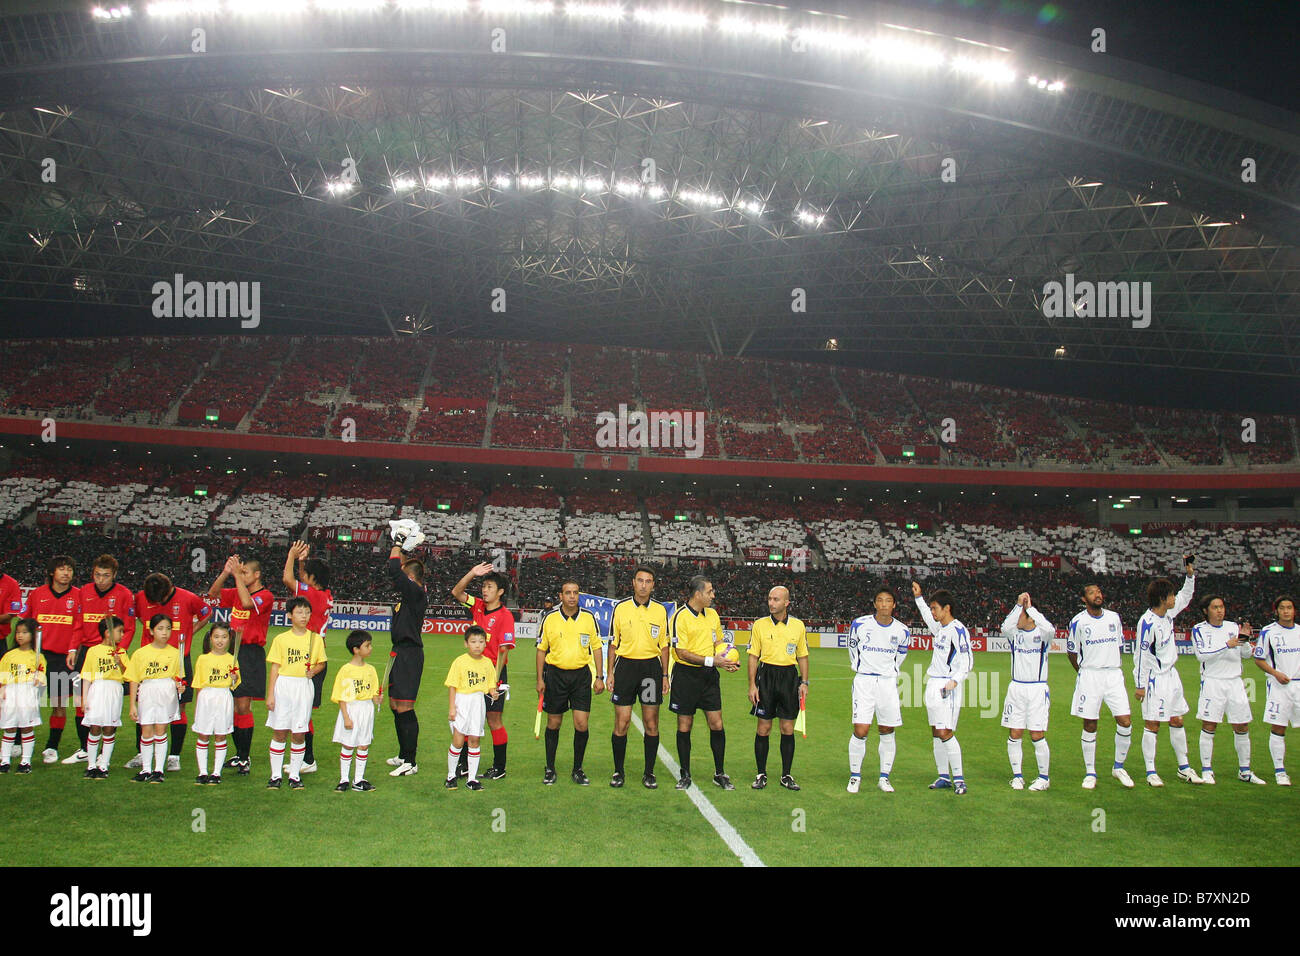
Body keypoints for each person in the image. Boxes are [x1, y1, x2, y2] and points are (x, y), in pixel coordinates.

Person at [134, 571, 212, 772]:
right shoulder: (141, 597)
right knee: (145, 707)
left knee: (179, 708)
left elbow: (207, 612)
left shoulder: (188, 598)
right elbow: (139, 617)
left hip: (178, 660)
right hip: (149, 660)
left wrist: (191, 630)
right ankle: (142, 754)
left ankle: (174, 755)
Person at [1133, 556, 1200, 786]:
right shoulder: (1147, 622)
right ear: (1162, 599)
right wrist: (1140, 684)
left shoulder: (1168, 614)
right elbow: (1140, 656)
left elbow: (1186, 595)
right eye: (1170, 595)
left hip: (1172, 676)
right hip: (1154, 680)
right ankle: (1151, 771)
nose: (1174, 598)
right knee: (1153, 724)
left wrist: (1189, 574)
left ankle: (1184, 767)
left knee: (1177, 720)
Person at [668, 575, 738, 791]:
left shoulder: (713, 615)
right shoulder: (680, 617)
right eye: (710, 591)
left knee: (716, 723)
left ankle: (719, 773)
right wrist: (712, 661)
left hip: (709, 677)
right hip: (686, 676)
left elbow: (717, 641)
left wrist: (727, 658)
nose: (713, 595)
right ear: (697, 594)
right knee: (684, 725)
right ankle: (685, 774)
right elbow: (681, 652)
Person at [207, 555, 274, 774]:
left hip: (250, 653)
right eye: (240, 571)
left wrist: (236, 576)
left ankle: (245, 757)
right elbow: (213, 594)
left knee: (243, 705)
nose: (241, 575)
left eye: (245, 572)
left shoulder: (265, 595)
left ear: (257, 575)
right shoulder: (237, 589)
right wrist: (227, 572)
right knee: (233, 705)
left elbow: (247, 603)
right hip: (231, 652)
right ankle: (239, 754)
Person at [606, 564, 670, 788]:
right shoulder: (621, 608)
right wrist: (610, 673)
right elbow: (613, 644)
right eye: (640, 580)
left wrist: (664, 675)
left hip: (651, 672)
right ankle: (618, 771)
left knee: (651, 723)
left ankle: (649, 772)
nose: (643, 585)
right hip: (625, 670)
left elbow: (664, 646)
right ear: (633, 583)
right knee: (621, 723)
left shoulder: (661, 611)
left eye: (648, 581)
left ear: (653, 585)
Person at [1067, 581, 1136, 790]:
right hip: (1090, 675)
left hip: (1114, 674)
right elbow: (1071, 651)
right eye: (1091, 592)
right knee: (1090, 724)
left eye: (1098, 591)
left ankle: (1118, 767)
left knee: (1125, 721)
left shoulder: (1114, 617)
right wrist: (1083, 673)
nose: (1097, 595)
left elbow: (1118, 645)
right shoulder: (1078, 622)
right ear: (1083, 599)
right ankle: (1090, 772)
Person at [66, 555, 135, 764]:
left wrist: (118, 651)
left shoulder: (124, 594)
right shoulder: (84, 592)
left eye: (106, 575)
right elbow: (78, 623)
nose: (101, 579)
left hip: (111, 653)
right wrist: (72, 649)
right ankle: (84, 748)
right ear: (92, 574)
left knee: (108, 701)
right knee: (82, 702)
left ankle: (103, 752)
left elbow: (129, 628)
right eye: (97, 575)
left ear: (114, 575)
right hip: (88, 652)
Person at [451, 562, 515, 779]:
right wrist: (471, 572)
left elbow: (504, 651)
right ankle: (465, 764)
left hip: (492, 675)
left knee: (493, 719)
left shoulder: (505, 616)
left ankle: (499, 767)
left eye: (489, 587)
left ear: (500, 592)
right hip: (471, 673)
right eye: (484, 586)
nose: (484, 590)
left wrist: (494, 683)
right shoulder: (477, 606)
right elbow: (457, 592)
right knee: (468, 717)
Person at [536, 580, 604, 785]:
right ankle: (550, 767)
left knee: (581, 723)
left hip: (581, 676)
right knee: (554, 723)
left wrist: (599, 677)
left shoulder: (588, 618)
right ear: (561, 596)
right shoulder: (550, 618)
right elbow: (541, 650)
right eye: (568, 593)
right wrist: (540, 678)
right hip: (555, 675)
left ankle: (578, 769)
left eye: (575, 592)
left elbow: (597, 648)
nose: (572, 596)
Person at [1191, 595, 1264, 785]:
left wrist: (1245, 640)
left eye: (1221, 607)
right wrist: (1227, 645)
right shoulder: (1199, 629)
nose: (1220, 610)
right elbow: (1202, 656)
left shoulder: (1232, 627)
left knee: (1242, 725)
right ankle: (1207, 770)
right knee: (1209, 725)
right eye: (1215, 607)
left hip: (1235, 682)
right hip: (1213, 682)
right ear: (1206, 610)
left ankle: (1245, 770)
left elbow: (1246, 654)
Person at [846, 586, 911, 794]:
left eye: (888, 601)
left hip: (887, 683)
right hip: (864, 681)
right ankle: (855, 776)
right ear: (875, 604)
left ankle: (884, 777)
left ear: (894, 604)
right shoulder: (860, 624)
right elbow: (852, 648)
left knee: (887, 729)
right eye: (880, 600)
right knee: (861, 729)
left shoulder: (902, 630)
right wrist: (861, 668)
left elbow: (901, 655)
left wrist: (889, 671)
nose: (884, 604)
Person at [912, 581, 973, 795]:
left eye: (935, 608)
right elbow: (928, 619)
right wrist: (919, 599)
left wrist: (954, 682)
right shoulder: (941, 628)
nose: (933, 612)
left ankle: (960, 780)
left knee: (945, 731)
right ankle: (943, 776)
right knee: (936, 731)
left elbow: (967, 661)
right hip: (933, 683)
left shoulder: (958, 630)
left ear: (947, 608)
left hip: (947, 685)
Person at [747, 586, 809, 791]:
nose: (771, 603)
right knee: (763, 728)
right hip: (766, 677)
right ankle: (761, 773)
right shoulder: (759, 625)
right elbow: (753, 656)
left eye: (776, 599)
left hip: (789, 677)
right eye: (769, 598)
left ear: (786, 603)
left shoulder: (798, 626)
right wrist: (752, 685)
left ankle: (786, 775)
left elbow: (802, 656)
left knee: (787, 728)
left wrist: (804, 683)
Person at [23, 554, 82, 764]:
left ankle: (51, 747)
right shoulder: (37, 594)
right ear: (51, 572)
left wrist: (74, 649)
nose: (66, 573)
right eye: (61, 569)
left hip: (63, 658)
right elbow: (25, 625)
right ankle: (18, 743)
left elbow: (80, 627)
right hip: (38, 657)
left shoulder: (78, 595)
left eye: (69, 569)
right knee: (27, 701)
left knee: (58, 703)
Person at [264, 597, 327, 790]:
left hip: (303, 687)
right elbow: (275, 667)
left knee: (299, 732)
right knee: (280, 731)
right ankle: (275, 776)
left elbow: (321, 663)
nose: (304, 616)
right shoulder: (281, 639)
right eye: (299, 612)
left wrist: (313, 671)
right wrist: (270, 694)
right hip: (284, 686)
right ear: (290, 615)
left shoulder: (314, 638)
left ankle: (294, 774)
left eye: (307, 612)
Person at [282, 541, 334, 773]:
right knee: (301, 710)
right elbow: (304, 580)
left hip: (311, 658)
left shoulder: (314, 596)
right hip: (315, 653)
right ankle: (305, 758)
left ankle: (308, 759)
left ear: (313, 579)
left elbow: (288, 580)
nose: (304, 577)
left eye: (307, 575)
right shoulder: (324, 594)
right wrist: (304, 560)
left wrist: (292, 556)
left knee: (302, 711)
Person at [384, 523, 427, 777]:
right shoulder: (408, 595)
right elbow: (396, 569)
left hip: (410, 654)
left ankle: (411, 760)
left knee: (405, 706)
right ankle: (402, 754)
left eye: (404, 574)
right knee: (394, 704)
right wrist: (404, 551)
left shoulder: (416, 592)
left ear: (410, 578)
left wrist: (398, 541)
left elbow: (392, 569)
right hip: (399, 653)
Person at [999, 592, 1054, 791]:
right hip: (1016, 688)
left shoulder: (1043, 635)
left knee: (1037, 733)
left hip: (1037, 689)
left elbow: (1050, 627)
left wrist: (1030, 608)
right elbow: (1005, 626)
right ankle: (1017, 776)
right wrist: (1017, 605)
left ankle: (1043, 778)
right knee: (1015, 732)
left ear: (1030, 616)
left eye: (1022, 615)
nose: (1018, 619)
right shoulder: (1015, 635)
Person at [126, 615, 183, 783]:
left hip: (166, 693)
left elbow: (178, 678)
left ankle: (158, 770)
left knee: (161, 730)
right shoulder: (140, 653)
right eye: (160, 628)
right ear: (151, 631)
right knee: (146, 731)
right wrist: (132, 705)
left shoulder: (174, 653)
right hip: (147, 692)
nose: (164, 633)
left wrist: (181, 686)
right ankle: (146, 769)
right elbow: (134, 679)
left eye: (168, 628)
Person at [444, 625, 500, 792]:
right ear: (466, 643)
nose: (477, 645)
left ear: (485, 644)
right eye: (473, 641)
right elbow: (452, 686)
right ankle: (451, 775)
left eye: (481, 641)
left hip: (478, 703)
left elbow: (490, 686)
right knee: (458, 740)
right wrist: (452, 708)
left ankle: (472, 779)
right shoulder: (459, 662)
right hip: (462, 702)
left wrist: (494, 693)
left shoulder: (488, 663)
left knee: (475, 740)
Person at [1254, 594, 1299, 786]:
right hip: (1279, 685)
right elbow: (1259, 658)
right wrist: (1275, 673)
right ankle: (1280, 771)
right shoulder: (1268, 632)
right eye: (1282, 608)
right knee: (1279, 727)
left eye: (1289, 607)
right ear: (1277, 611)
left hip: (1299, 684)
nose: (1286, 611)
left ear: (1294, 610)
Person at [78, 615, 129, 779]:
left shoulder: (121, 652)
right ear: (107, 633)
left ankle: (104, 764)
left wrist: (119, 662)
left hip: (114, 691)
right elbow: (87, 676)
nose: (122, 635)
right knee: (94, 726)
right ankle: (91, 764)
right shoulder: (93, 651)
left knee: (109, 727)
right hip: (97, 689)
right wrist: (84, 698)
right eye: (119, 631)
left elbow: (128, 675)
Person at [332, 630, 381, 793]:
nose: (370, 648)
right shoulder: (346, 670)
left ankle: (358, 779)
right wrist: (346, 717)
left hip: (366, 710)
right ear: (356, 649)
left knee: (363, 744)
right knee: (348, 744)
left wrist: (378, 699)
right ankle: (344, 779)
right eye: (367, 645)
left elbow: (374, 695)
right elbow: (341, 696)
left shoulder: (371, 670)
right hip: (351, 710)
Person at [191, 623, 240, 785]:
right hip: (206, 697)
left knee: (220, 735)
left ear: (229, 639)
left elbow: (235, 684)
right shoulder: (203, 659)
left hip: (223, 697)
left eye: (224, 637)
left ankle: (216, 772)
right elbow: (198, 684)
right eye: (216, 637)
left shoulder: (232, 659)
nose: (220, 641)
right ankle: (203, 771)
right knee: (203, 734)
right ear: (210, 638)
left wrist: (234, 679)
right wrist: (198, 706)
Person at [0, 618, 45, 774]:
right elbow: (2, 678)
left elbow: (42, 677)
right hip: (11, 692)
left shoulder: (37, 656)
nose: (20, 636)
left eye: (24, 632)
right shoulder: (9, 655)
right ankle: (4, 760)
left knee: (27, 727)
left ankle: (26, 761)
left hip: (28, 693)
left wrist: (38, 680)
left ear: (33, 635)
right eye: (18, 632)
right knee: (9, 727)